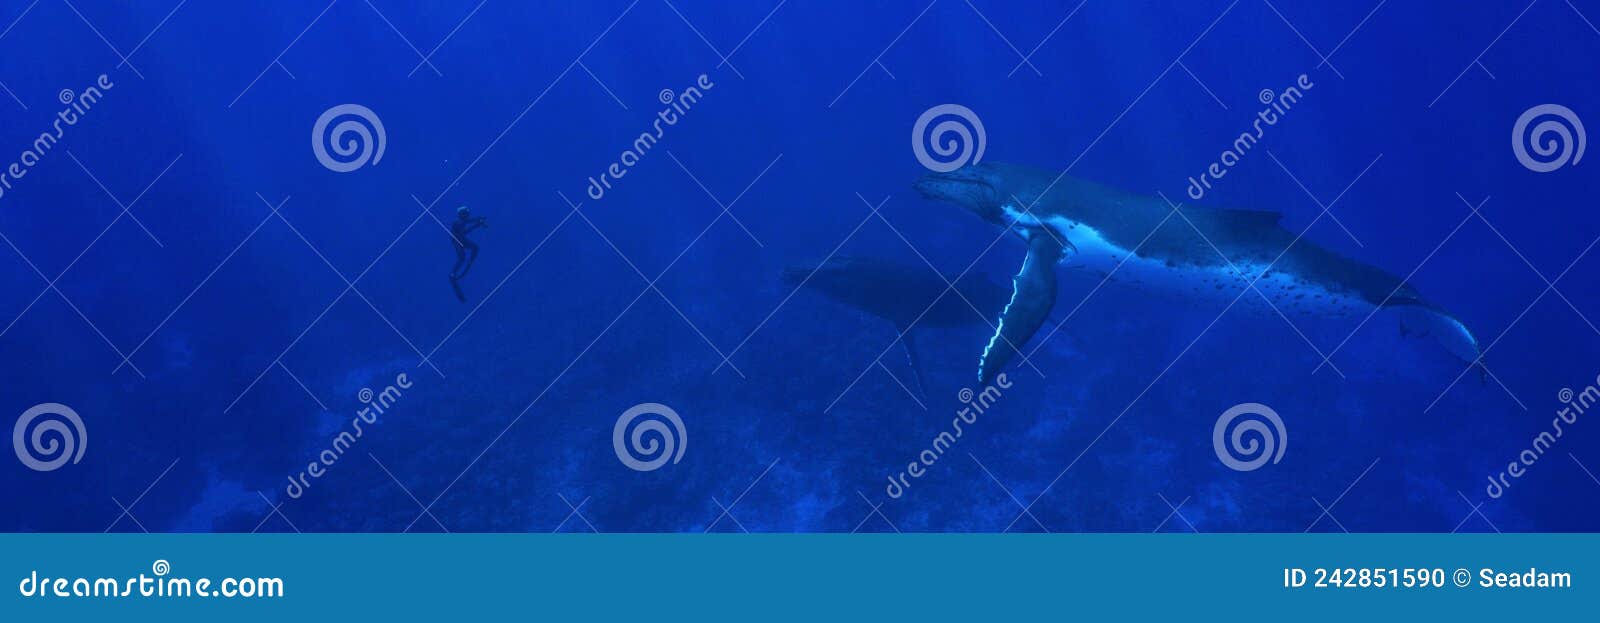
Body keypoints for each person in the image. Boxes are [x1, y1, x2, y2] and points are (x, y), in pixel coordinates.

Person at [449, 206, 487, 301]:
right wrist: (477, 224)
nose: (468, 215)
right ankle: (453, 274)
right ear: (463, 214)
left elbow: (470, 220)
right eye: (466, 213)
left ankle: (468, 263)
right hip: (457, 241)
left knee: (475, 248)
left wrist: (479, 219)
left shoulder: (462, 220)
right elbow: (465, 231)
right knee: (462, 258)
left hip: (461, 239)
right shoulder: (458, 222)